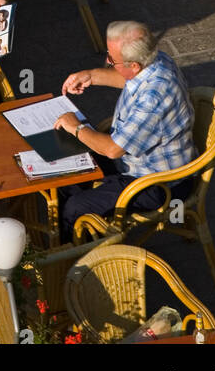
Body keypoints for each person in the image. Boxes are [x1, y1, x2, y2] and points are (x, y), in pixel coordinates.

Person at [55, 20, 196, 241]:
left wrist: (76, 127)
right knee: (64, 169)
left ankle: (71, 260)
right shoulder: (155, 59)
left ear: (135, 65)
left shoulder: (153, 98)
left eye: (111, 59)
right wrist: (92, 75)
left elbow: (112, 149)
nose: (107, 62)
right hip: (134, 162)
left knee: (74, 207)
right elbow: (128, 78)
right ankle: (87, 231)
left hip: (155, 183)